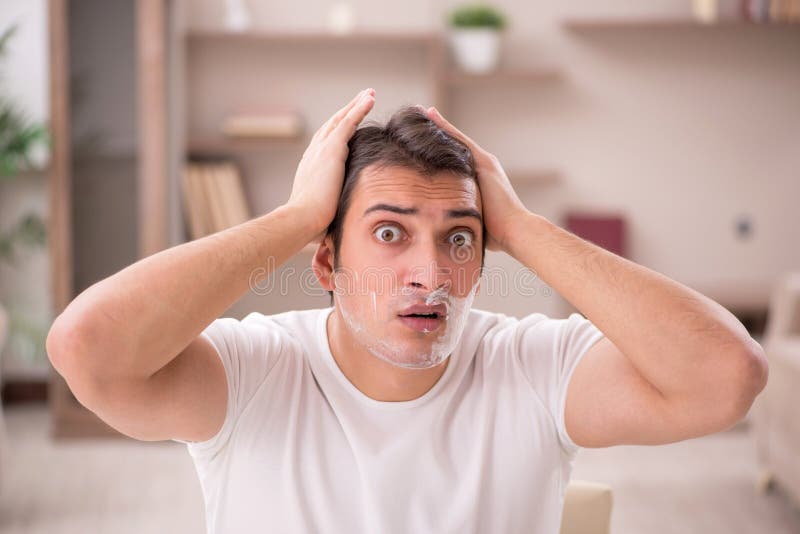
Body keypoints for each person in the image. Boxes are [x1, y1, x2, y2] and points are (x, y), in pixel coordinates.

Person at [46, 88, 769, 533]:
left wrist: (514, 226)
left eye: (458, 239)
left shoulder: (533, 367)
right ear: (326, 262)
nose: (431, 274)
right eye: (389, 233)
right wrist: (299, 217)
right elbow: (86, 345)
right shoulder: (256, 370)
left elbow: (727, 375)